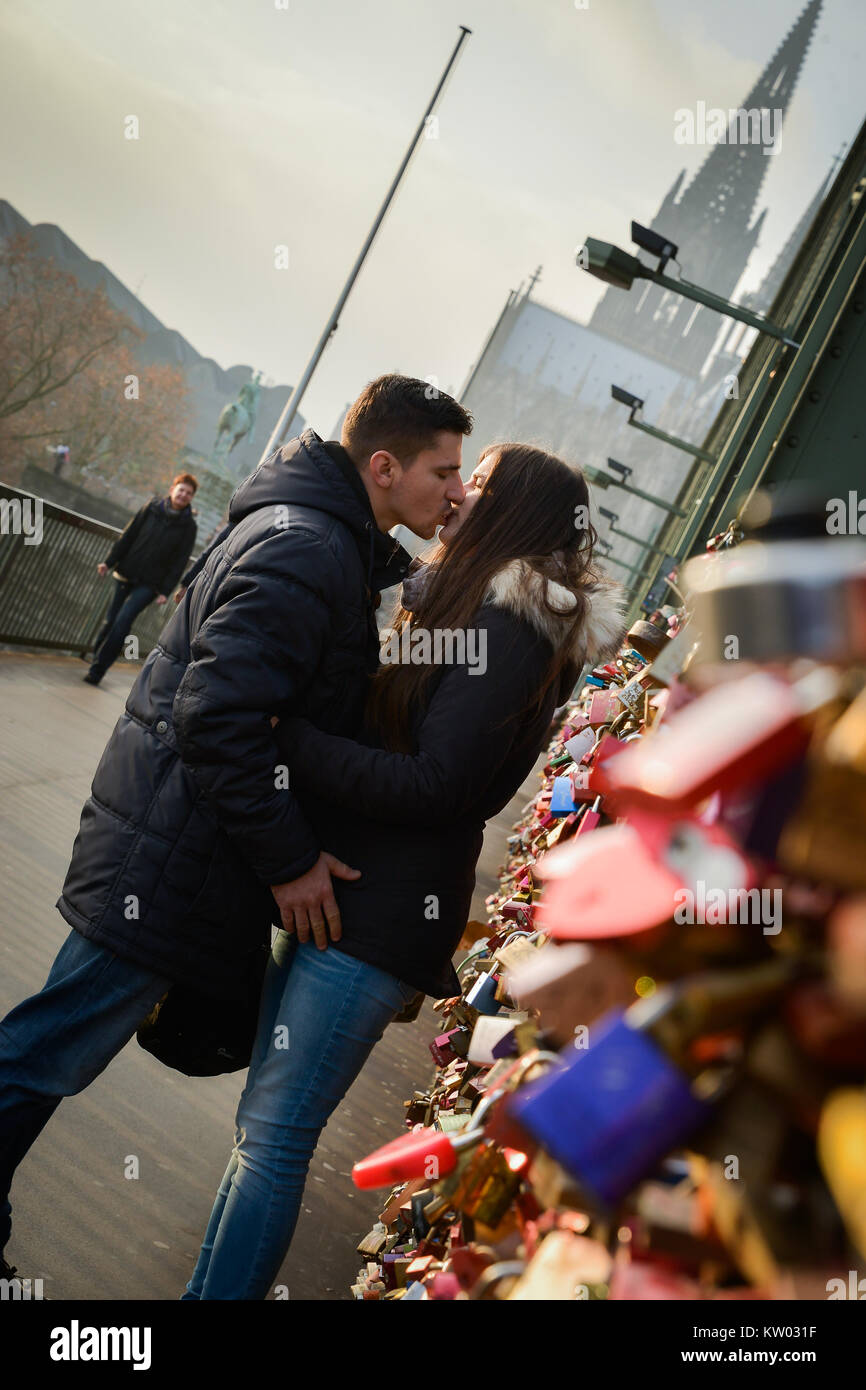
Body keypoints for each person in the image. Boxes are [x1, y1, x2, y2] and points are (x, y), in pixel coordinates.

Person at [0, 375, 472, 1282]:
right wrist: (292, 861)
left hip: (171, 845)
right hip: (169, 856)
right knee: (46, 1050)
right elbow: (215, 716)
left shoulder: (318, 537)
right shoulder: (308, 552)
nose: (454, 492)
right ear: (383, 466)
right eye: (443, 472)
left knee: (50, 1045)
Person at [182, 442, 628, 1300]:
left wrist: (289, 740)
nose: (459, 494)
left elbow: (437, 785)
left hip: (371, 918)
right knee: (261, 1132)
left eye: (482, 484)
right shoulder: (469, 611)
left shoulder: (508, 631)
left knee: (274, 1139)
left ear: (518, 513)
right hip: (346, 899)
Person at [84, 473, 199, 685]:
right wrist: (109, 562)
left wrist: (165, 590)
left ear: (191, 498)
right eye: (181, 489)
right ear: (173, 489)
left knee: (123, 621)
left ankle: (97, 671)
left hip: (149, 584)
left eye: (189, 493)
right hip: (126, 571)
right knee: (111, 621)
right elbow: (129, 535)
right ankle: (95, 654)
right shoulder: (151, 508)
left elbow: (179, 561)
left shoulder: (189, 527)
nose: (184, 495)